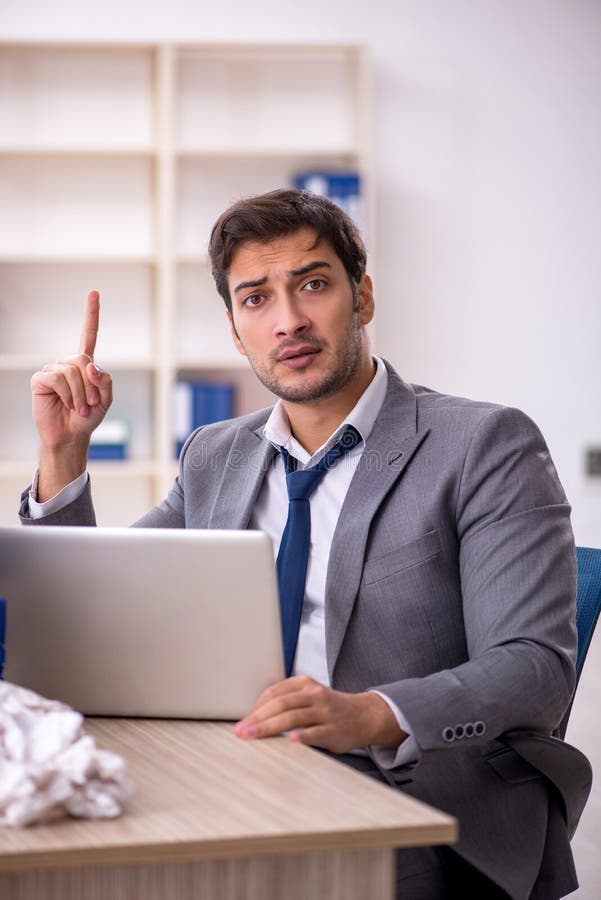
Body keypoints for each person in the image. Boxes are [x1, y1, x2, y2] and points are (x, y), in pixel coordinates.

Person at [20, 189, 589, 899]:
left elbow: (532, 670)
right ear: (234, 330)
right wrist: (64, 455)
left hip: (420, 795)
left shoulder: (483, 443)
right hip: (240, 767)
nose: (287, 320)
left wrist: (370, 713)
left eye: (312, 284)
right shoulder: (213, 453)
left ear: (363, 297)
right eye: (255, 299)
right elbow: (93, 610)